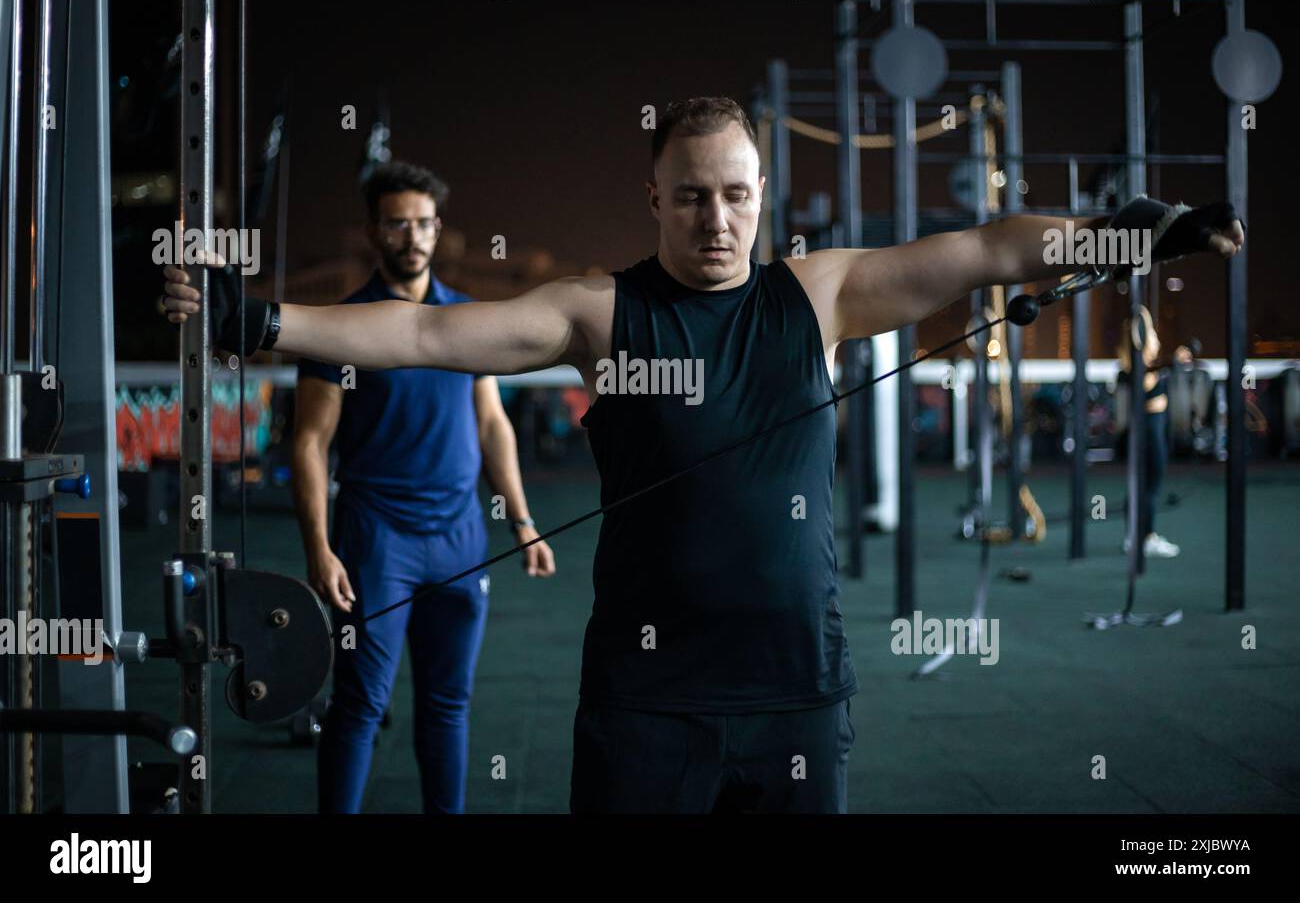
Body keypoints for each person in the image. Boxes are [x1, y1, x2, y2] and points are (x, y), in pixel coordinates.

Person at [163, 97, 1243, 813]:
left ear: (761, 194)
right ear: (655, 198)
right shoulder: (600, 310)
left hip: (796, 697)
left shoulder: (818, 296)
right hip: (643, 703)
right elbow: (427, 334)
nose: (715, 218)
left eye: (735, 193)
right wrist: (263, 321)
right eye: (690, 195)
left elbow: (989, 247)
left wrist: (1131, 232)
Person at [291, 161, 556, 813]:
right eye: (397, 224)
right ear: (375, 232)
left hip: (461, 536)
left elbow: (492, 423)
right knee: (360, 703)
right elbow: (309, 442)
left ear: (439, 231)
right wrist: (318, 549)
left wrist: (522, 522)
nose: (412, 236)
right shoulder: (340, 328)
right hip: (376, 538)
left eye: (423, 224)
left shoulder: (468, 321)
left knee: (448, 706)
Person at [1116, 305, 1178, 558]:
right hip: (1149, 429)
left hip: (1156, 426)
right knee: (1149, 484)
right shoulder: (1138, 370)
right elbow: (1145, 378)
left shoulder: (1144, 367)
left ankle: (1137, 535)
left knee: (1145, 484)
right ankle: (1145, 536)